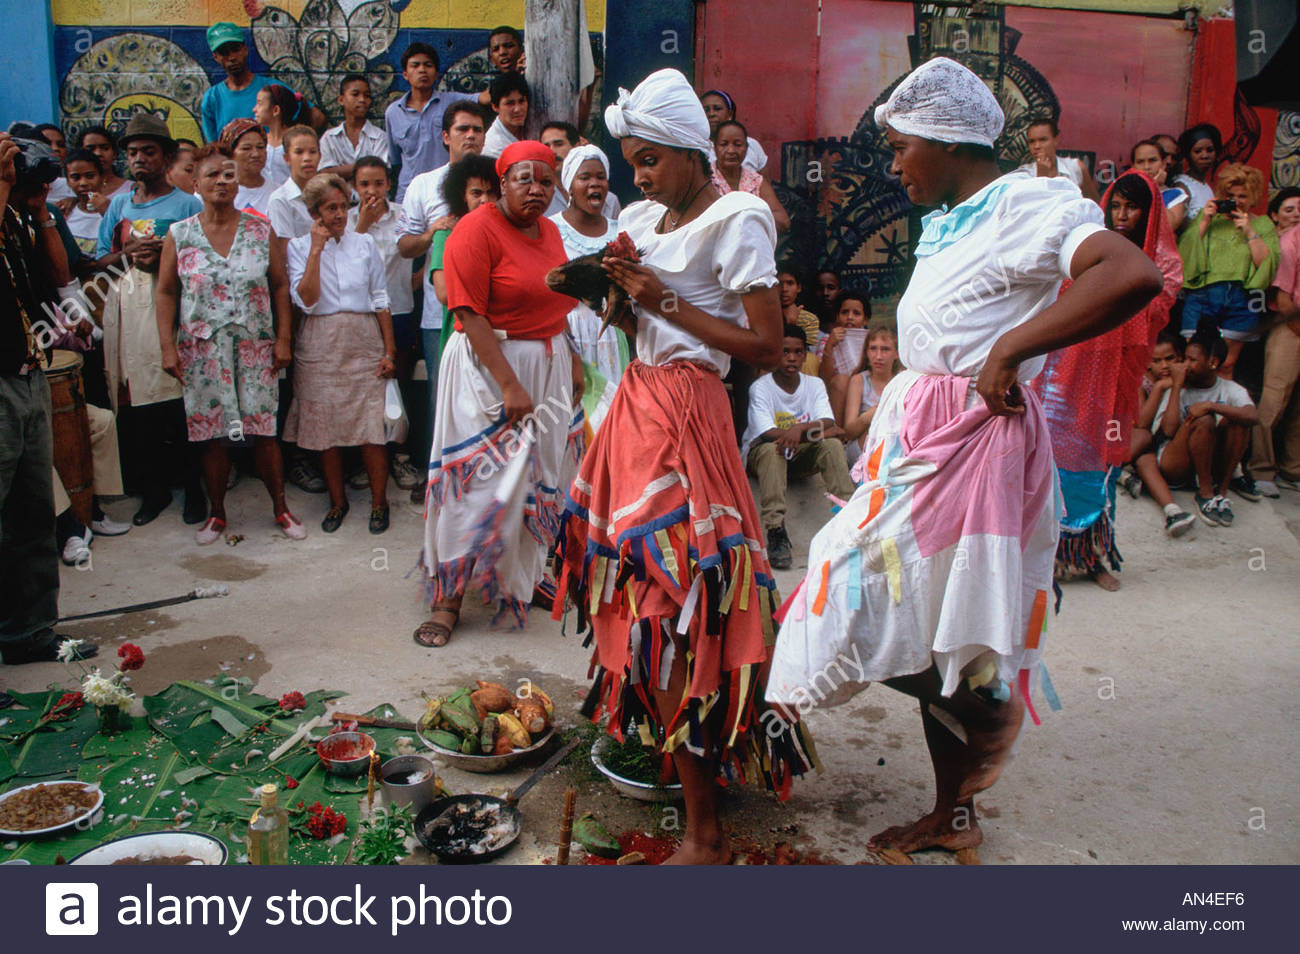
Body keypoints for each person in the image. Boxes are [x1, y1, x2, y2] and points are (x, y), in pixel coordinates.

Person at [767, 58, 1163, 858]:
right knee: (932, 619)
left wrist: (1013, 349)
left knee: (840, 586)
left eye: (901, 145)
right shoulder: (957, 215)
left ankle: (988, 712)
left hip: (970, 451)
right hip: (922, 438)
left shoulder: (1025, 201)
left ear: (946, 140)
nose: (893, 163)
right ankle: (954, 816)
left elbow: (1131, 272)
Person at [553, 69, 813, 864]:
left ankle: (704, 830)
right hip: (636, 408)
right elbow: (647, 326)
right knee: (641, 594)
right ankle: (687, 764)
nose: (635, 176)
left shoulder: (738, 218)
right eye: (630, 161)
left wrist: (660, 302)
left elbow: (766, 348)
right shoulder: (644, 217)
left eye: (647, 160)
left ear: (690, 152)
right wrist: (618, 299)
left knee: (682, 598)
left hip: (690, 414)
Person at [415, 140, 581, 646]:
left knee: (538, 477)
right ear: (502, 183)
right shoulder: (475, 230)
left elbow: (557, 304)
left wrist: (571, 362)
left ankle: (519, 580)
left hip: (546, 366)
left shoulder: (550, 230)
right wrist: (509, 383)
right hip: (489, 370)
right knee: (477, 484)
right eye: (523, 180)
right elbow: (468, 312)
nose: (536, 190)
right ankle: (448, 600)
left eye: (546, 181)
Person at [1032, 171, 1182, 590]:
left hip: (1112, 386)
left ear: (1149, 212)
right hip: (1067, 376)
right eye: (1115, 205)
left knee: (1103, 469)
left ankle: (1094, 556)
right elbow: (1064, 298)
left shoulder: (1163, 264)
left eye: (1131, 207)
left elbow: (1151, 311)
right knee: (1054, 465)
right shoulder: (1090, 249)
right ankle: (1050, 556)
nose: (1121, 215)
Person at [155, 143, 304, 544]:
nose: (222, 181)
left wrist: (283, 338)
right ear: (196, 183)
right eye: (212, 176)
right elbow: (166, 291)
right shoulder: (180, 235)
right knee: (212, 434)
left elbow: (279, 285)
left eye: (228, 175)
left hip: (256, 346)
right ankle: (218, 514)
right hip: (202, 351)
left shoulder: (259, 229)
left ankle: (281, 508)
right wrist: (168, 348)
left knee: (263, 430)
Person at [0, 131, 98, 668]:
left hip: (28, 373)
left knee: (32, 512)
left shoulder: (18, 217)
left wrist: (37, 210)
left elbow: (60, 279)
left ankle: (29, 633)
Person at [95, 113, 204, 526]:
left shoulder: (186, 204)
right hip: (131, 311)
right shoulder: (120, 205)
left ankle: (194, 490)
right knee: (141, 405)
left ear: (167, 156)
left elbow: (201, 262)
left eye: (148, 151)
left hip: (175, 309)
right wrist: (127, 255)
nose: (139, 159)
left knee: (180, 404)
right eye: (133, 152)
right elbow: (99, 262)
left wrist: (164, 258)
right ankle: (154, 493)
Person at [286, 173, 396, 534]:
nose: (338, 214)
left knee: (371, 427)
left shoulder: (363, 244)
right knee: (325, 429)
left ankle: (380, 502)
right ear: (314, 212)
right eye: (329, 208)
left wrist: (389, 351)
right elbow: (306, 299)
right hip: (318, 342)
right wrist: (317, 249)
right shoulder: (299, 247)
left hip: (363, 339)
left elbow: (381, 299)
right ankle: (338, 502)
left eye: (343, 206)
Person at [412, 153, 501, 505]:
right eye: (476, 193)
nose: (485, 201)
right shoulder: (446, 236)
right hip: (463, 344)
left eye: (492, 192)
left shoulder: (510, 233)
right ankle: (455, 502)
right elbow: (445, 291)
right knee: (463, 426)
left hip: (507, 346)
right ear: (460, 196)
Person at [398, 101, 487, 450]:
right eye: (462, 129)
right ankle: (440, 476)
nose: (470, 136)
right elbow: (403, 247)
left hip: (491, 310)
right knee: (444, 395)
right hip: (441, 313)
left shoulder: (496, 180)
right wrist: (432, 233)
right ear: (445, 136)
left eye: (477, 130)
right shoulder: (424, 184)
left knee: (487, 394)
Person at [745, 324, 855, 570]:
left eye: (797, 352)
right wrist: (813, 431)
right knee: (772, 451)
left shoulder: (814, 385)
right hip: (765, 456)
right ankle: (776, 531)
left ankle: (848, 519)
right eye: (785, 352)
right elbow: (767, 434)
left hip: (800, 457)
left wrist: (799, 431)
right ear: (775, 354)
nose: (791, 358)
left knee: (832, 445)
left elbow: (827, 422)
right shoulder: (761, 387)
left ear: (805, 355)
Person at [349, 156, 421, 493]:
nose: (372, 190)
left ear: (388, 184)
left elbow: (418, 253)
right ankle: (369, 459)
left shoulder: (403, 216)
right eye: (364, 184)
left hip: (401, 312)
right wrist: (362, 224)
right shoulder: (348, 220)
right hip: (362, 316)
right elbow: (343, 262)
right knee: (367, 391)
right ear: (355, 187)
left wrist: (414, 284)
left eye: (378, 183)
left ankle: (400, 457)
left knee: (400, 386)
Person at [1177, 162, 1279, 379]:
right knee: (1195, 361)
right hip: (1203, 295)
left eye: (1243, 196)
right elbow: (1185, 252)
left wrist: (1249, 231)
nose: (1236, 201)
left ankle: (1219, 411)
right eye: (1230, 195)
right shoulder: (1208, 220)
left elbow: (1267, 264)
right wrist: (1205, 219)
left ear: (1253, 197)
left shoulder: (1263, 225)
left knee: (1225, 364)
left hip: (1240, 299)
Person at [1153, 327, 1259, 525]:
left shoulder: (1230, 389)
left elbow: (1252, 416)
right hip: (1176, 464)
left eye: (1192, 360)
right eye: (1184, 358)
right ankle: (1205, 494)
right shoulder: (1179, 387)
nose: (1185, 365)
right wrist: (1176, 386)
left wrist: (1211, 405)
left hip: (1209, 462)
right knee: (1204, 419)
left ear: (1213, 362)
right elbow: (1167, 431)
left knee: (1238, 421)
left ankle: (1220, 494)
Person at [549, 144, 629, 387]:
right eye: (584, 177)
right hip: (568, 334)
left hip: (613, 334)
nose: (595, 183)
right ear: (569, 186)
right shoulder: (551, 230)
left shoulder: (620, 230)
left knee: (610, 413)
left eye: (601, 177)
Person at [199, 22, 323, 144]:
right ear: (216, 57)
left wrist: (293, 145)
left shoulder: (272, 89)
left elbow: (318, 118)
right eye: (224, 53)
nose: (232, 57)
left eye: (235, 49)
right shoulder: (212, 98)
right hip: (233, 164)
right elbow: (213, 147)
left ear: (245, 50)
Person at [1126, 331, 1198, 535]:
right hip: (1143, 444)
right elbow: (1141, 424)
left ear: (1181, 358)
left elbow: (1170, 429)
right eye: (1156, 361)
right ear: (1148, 363)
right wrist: (1158, 388)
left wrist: (1174, 386)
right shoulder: (1143, 382)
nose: (1164, 366)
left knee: (1145, 449)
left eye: (1170, 359)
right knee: (1143, 443)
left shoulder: (1188, 380)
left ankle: (1122, 474)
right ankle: (1173, 511)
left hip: (1173, 449)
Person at [1248, 214, 1300, 495]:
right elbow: (1282, 296)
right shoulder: (1294, 239)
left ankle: (1293, 469)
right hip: (1291, 328)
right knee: (1273, 400)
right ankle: (1261, 470)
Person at [386, 43, 451, 201]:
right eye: (415, 65)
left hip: (443, 192)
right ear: (405, 74)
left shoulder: (452, 102)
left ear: (436, 74)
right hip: (408, 193)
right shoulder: (393, 112)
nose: (422, 70)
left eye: (428, 65)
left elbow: (485, 98)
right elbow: (395, 161)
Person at [710, 120, 789, 232]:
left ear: (746, 148)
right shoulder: (706, 179)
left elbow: (783, 221)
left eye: (738, 145)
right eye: (724, 144)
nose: (731, 150)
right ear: (715, 148)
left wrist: (742, 221)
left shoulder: (756, 181)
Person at [319, 74, 392, 183]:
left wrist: (339, 171)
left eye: (367, 96)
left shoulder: (380, 137)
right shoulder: (329, 138)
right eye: (355, 94)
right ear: (341, 100)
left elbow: (378, 172)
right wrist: (365, 168)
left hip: (373, 198)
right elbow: (325, 174)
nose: (362, 99)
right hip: (339, 199)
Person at [841, 324, 901, 456]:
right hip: (862, 449)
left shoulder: (901, 381)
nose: (878, 356)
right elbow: (848, 432)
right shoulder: (859, 380)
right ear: (866, 352)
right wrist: (868, 416)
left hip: (894, 446)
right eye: (873, 349)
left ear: (896, 353)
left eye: (885, 349)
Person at [816, 288, 870, 422]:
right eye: (845, 312)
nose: (850, 317)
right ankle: (838, 432)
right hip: (839, 395)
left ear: (865, 319)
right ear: (837, 316)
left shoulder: (871, 341)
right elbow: (824, 379)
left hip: (867, 392)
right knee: (841, 380)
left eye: (856, 313)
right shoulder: (828, 340)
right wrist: (830, 345)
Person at [266, 125, 321, 256]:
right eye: (299, 152)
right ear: (287, 158)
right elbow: (285, 251)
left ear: (320, 156)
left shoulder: (328, 192)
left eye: (312, 151)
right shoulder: (280, 200)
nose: (307, 158)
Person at [1018, 117, 1101, 202]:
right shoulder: (1024, 174)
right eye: (1032, 141)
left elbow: (1095, 204)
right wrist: (1041, 177)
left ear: (1055, 140)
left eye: (1043, 140)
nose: (1037, 146)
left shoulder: (1075, 167)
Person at [699, 88, 768, 172]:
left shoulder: (752, 145)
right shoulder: (696, 149)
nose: (711, 114)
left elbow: (765, 182)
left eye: (717, 108)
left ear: (730, 114)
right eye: (706, 110)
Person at [1130, 138, 1188, 231]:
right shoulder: (1126, 193)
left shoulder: (1175, 195)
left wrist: (1154, 188)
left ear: (1163, 163)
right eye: (1140, 162)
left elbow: (1169, 226)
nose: (1147, 167)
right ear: (1133, 166)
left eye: (1152, 160)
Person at [221, 118, 275, 216]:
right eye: (246, 148)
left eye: (260, 147)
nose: (256, 154)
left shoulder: (278, 194)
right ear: (230, 153)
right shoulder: (217, 193)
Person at [253, 83, 303, 188]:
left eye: (259, 104)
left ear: (275, 110)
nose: (254, 109)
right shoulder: (261, 141)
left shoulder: (296, 141)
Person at [777, 261, 821, 374]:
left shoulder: (809, 319)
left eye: (790, 283)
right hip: (772, 363)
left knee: (810, 360)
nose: (784, 289)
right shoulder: (764, 314)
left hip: (800, 370)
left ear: (799, 288)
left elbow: (804, 353)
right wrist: (788, 322)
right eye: (779, 284)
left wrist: (792, 325)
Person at [77, 127, 131, 215]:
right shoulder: (75, 190)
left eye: (105, 148)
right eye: (91, 149)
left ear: (114, 153)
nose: (98, 153)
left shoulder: (132, 189)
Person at [1173, 123, 1221, 218]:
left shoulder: (1206, 186)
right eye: (1197, 151)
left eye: (1210, 150)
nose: (1205, 156)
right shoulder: (1182, 186)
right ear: (1188, 154)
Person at [62, 149, 104, 256]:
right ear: (67, 181)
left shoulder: (116, 210)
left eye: (90, 176)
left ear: (102, 177)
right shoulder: (65, 212)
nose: (83, 183)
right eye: (75, 178)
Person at [483, 73, 530, 159]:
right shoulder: (493, 147)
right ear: (495, 107)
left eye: (521, 101)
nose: (517, 109)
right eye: (510, 103)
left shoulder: (532, 124)